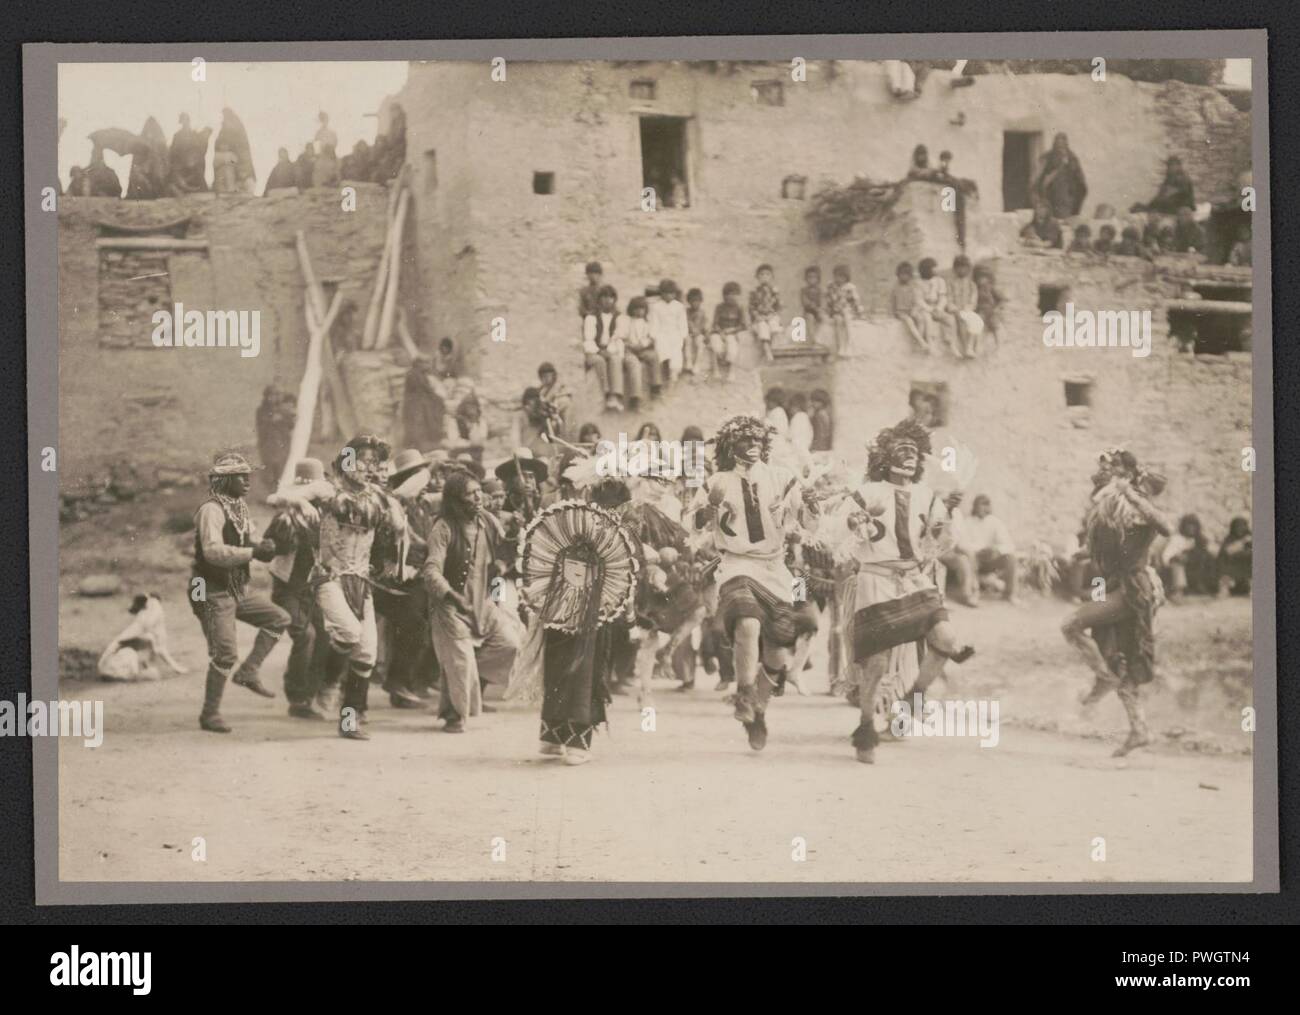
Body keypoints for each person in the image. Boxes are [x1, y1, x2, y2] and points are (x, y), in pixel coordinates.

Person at [828, 419, 974, 764]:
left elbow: (940, 542)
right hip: (876, 581)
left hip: (915, 581)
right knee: (876, 663)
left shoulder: (927, 496)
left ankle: (913, 700)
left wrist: (947, 514)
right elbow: (840, 535)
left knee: (948, 641)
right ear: (884, 458)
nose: (908, 458)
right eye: (900, 451)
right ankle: (866, 728)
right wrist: (856, 522)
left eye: (913, 452)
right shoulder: (868, 492)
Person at [688, 416, 818, 751]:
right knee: (747, 622)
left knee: (777, 653)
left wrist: (810, 507)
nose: (753, 445)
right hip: (735, 565)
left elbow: (807, 523)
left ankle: (759, 710)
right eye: (746, 440)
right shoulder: (716, 481)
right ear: (732, 447)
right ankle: (744, 696)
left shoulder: (781, 478)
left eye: (758, 440)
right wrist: (710, 509)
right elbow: (694, 526)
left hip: (777, 568)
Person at [281, 435, 406, 740]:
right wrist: (299, 500)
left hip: (361, 582)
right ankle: (328, 683)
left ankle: (350, 719)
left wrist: (397, 523)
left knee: (366, 653)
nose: (367, 466)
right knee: (349, 633)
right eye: (361, 459)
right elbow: (279, 497)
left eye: (373, 461)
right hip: (329, 576)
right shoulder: (327, 489)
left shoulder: (378, 496)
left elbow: (400, 527)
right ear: (346, 461)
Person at [1061, 450, 1171, 757]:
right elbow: (1107, 549)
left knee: (1071, 625)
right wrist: (1079, 554)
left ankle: (1103, 678)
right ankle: (1139, 729)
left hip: (1134, 589)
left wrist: (1132, 497)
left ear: (1125, 475)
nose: (1101, 472)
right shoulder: (1109, 506)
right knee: (1119, 660)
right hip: (1113, 585)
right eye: (1101, 467)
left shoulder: (1132, 503)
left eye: (1109, 468)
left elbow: (1166, 528)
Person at [191, 453, 290, 733]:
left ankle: (248, 671)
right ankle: (209, 714)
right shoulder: (211, 510)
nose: (247, 481)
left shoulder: (238, 507)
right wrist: (254, 552)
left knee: (278, 619)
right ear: (223, 480)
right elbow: (212, 552)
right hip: (210, 590)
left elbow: (250, 538)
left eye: (248, 476)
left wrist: (267, 546)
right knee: (224, 653)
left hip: (235, 589)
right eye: (240, 477)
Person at [422, 470, 520, 732]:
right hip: (450, 608)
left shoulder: (487, 521)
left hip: (482, 603)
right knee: (460, 663)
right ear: (456, 499)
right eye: (471, 493)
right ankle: (455, 715)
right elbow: (431, 571)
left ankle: (465, 681)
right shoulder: (442, 528)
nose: (479, 497)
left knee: (510, 644)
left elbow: (506, 548)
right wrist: (450, 595)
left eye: (480, 492)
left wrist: (515, 540)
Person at [263, 458, 330, 718]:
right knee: (306, 635)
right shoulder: (286, 516)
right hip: (288, 587)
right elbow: (269, 548)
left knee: (324, 636)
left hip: (312, 586)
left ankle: (311, 693)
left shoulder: (326, 513)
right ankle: (297, 697)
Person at [944, 494, 1019, 606]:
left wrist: (997, 550)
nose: (983, 509)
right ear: (975, 507)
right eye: (980, 506)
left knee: (1011, 558)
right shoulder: (967, 522)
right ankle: (971, 594)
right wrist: (976, 550)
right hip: (973, 557)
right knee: (967, 556)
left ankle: (1010, 594)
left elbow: (1009, 544)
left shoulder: (995, 522)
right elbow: (961, 543)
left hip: (989, 558)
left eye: (986, 506)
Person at [582, 284, 627, 412]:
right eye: (604, 297)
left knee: (615, 359)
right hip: (594, 350)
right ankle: (606, 394)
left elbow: (617, 337)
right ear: (599, 299)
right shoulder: (591, 317)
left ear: (614, 300)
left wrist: (609, 351)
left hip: (609, 349)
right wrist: (599, 351)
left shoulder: (619, 317)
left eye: (610, 297)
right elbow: (588, 338)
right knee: (600, 361)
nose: (607, 300)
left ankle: (615, 396)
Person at [1160, 513, 1216, 602]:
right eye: (1188, 525)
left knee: (1210, 559)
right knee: (1177, 564)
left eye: (1193, 525)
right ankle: (1178, 592)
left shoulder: (1200, 539)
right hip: (1176, 570)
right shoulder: (1177, 539)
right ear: (1183, 526)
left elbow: (1207, 553)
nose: (1191, 528)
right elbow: (1166, 557)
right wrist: (1177, 556)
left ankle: (1208, 587)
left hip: (1194, 568)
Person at [1032, 133, 1088, 219]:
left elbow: (1079, 178)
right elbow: (1038, 178)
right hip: (1051, 196)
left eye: (1062, 145)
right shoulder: (1047, 157)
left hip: (1068, 197)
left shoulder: (1072, 158)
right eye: (1058, 145)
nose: (1060, 148)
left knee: (1066, 219)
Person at [401, 345, 447, 450]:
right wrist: (436, 398)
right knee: (419, 421)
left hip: (421, 400)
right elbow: (425, 389)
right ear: (419, 364)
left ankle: (431, 439)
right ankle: (421, 443)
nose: (428, 365)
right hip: (414, 403)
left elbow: (427, 389)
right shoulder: (413, 374)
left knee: (435, 406)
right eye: (425, 363)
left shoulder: (420, 374)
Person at [648, 278, 689, 387]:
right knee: (661, 346)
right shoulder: (656, 306)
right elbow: (654, 323)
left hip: (675, 332)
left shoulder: (679, 307)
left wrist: (683, 335)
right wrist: (653, 335)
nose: (668, 296)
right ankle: (663, 371)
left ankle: (673, 374)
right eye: (666, 293)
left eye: (671, 293)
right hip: (661, 332)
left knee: (676, 349)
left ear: (675, 294)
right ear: (661, 293)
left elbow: (682, 323)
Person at [945, 254, 982, 359]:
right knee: (961, 320)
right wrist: (954, 308)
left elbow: (973, 299)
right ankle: (964, 347)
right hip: (955, 310)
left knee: (974, 321)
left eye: (964, 267)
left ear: (968, 269)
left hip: (967, 309)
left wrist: (969, 307)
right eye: (959, 267)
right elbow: (949, 298)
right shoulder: (950, 283)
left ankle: (970, 347)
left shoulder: (972, 284)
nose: (961, 270)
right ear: (955, 269)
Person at [1131, 155, 1195, 215]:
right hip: (1174, 203)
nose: (1170, 167)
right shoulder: (1170, 176)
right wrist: (1149, 205)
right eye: (1169, 165)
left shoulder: (1182, 177)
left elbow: (1178, 193)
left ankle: (1147, 211)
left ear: (1178, 166)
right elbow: (1162, 192)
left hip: (1184, 206)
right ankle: (1145, 210)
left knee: (1161, 204)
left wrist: (1160, 200)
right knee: (1148, 204)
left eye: (1172, 165)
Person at [709, 282, 748, 381]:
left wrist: (732, 330)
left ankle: (732, 371)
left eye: (735, 294)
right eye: (729, 294)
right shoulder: (719, 307)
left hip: (732, 333)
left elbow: (743, 325)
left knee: (732, 347)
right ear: (724, 296)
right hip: (719, 332)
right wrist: (720, 332)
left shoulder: (740, 308)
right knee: (714, 343)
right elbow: (715, 323)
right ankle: (715, 370)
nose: (732, 297)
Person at [623, 296, 657, 405]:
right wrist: (630, 345)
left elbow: (650, 338)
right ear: (631, 310)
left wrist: (642, 345)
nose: (639, 311)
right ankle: (635, 396)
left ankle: (656, 386)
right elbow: (622, 337)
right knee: (634, 364)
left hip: (642, 349)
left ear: (645, 310)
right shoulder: (627, 322)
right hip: (629, 350)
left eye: (642, 309)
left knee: (654, 356)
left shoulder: (647, 323)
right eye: (636, 309)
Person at [510, 387, 559, 463]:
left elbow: (551, 437)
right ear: (526, 402)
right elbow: (515, 437)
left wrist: (553, 421)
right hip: (525, 451)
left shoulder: (541, 415)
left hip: (539, 451)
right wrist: (517, 452)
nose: (531, 404)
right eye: (529, 402)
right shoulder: (520, 415)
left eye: (535, 401)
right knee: (526, 456)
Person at [891, 261, 931, 354]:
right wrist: (894, 313)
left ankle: (918, 342)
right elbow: (893, 302)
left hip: (910, 310)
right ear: (898, 275)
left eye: (906, 275)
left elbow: (915, 300)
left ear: (910, 276)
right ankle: (921, 342)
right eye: (901, 274)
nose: (904, 277)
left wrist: (915, 309)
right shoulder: (896, 288)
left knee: (920, 319)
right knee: (910, 321)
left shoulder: (912, 287)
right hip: (901, 312)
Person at [826, 264, 864, 359]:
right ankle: (840, 347)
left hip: (847, 310)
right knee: (838, 321)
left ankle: (849, 346)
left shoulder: (850, 287)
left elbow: (855, 300)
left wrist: (858, 310)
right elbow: (829, 300)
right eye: (836, 276)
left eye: (841, 276)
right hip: (836, 311)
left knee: (847, 322)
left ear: (846, 277)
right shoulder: (832, 286)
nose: (838, 279)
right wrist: (831, 307)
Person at [213, 108, 255, 194]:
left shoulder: (234, 125)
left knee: (236, 170)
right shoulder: (227, 127)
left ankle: (233, 187)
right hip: (232, 158)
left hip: (238, 156)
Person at [916, 258, 954, 352]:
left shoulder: (940, 281)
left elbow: (943, 296)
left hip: (937, 307)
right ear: (926, 269)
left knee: (950, 319)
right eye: (933, 268)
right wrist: (929, 309)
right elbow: (919, 300)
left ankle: (950, 342)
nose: (936, 270)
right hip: (924, 309)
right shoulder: (918, 283)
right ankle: (930, 344)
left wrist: (939, 307)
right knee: (927, 320)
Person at [168, 114, 211, 194]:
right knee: (176, 174)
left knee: (198, 173)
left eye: (186, 121)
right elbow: (173, 150)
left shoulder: (194, 134)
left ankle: (199, 189)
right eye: (183, 121)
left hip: (193, 161)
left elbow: (199, 149)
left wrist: (193, 159)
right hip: (180, 162)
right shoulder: (177, 135)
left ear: (188, 121)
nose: (185, 123)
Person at [748, 263, 782, 362]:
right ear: (757, 277)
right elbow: (751, 307)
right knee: (762, 326)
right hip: (759, 318)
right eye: (761, 275)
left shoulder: (774, 292)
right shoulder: (754, 292)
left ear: (772, 277)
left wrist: (772, 315)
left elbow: (778, 307)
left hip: (771, 316)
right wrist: (757, 316)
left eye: (767, 274)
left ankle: (773, 347)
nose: (764, 277)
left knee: (774, 323)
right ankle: (767, 349)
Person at [973, 265, 1005, 350]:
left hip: (991, 310)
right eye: (980, 277)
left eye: (984, 277)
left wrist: (997, 308)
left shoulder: (991, 288)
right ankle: (977, 345)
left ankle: (998, 344)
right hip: (979, 310)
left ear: (989, 278)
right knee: (978, 324)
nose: (982, 280)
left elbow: (1001, 299)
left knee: (995, 324)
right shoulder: (975, 289)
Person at [1217, 517, 1252, 596]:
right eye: (1237, 527)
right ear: (1233, 528)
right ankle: (1225, 588)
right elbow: (1225, 552)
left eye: (1242, 526)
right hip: (1232, 566)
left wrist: (1244, 552)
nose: (1239, 529)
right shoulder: (1229, 538)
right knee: (1223, 567)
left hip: (1246, 565)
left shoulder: (1250, 538)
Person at [536, 362, 572, 437]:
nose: (545, 379)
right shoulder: (542, 389)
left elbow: (563, 402)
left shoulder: (559, 388)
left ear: (553, 376)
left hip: (559, 416)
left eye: (547, 376)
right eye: (543, 377)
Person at [800, 266, 828, 347]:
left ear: (818, 279)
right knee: (810, 317)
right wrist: (814, 308)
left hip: (818, 311)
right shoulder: (804, 290)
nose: (812, 279)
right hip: (809, 311)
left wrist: (820, 310)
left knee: (823, 319)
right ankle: (812, 340)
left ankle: (821, 339)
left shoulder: (820, 290)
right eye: (809, 277)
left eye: (814, 277)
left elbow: (822, 301)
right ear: (806, 278)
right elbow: (805, 302)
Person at [684, 287, 708, 378]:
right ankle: (688, 362)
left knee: (700, 344)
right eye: (693, 301)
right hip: (689, 334)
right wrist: (690, 330)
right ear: (689, 301)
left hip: (699, 334)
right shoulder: (686, 312)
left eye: (697, 301)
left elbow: (705, 325)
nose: (695, 303)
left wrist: (705, 334)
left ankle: (697, 364)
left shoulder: (702, 313)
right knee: (687, 341)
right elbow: (685, 323)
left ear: (701, 301)